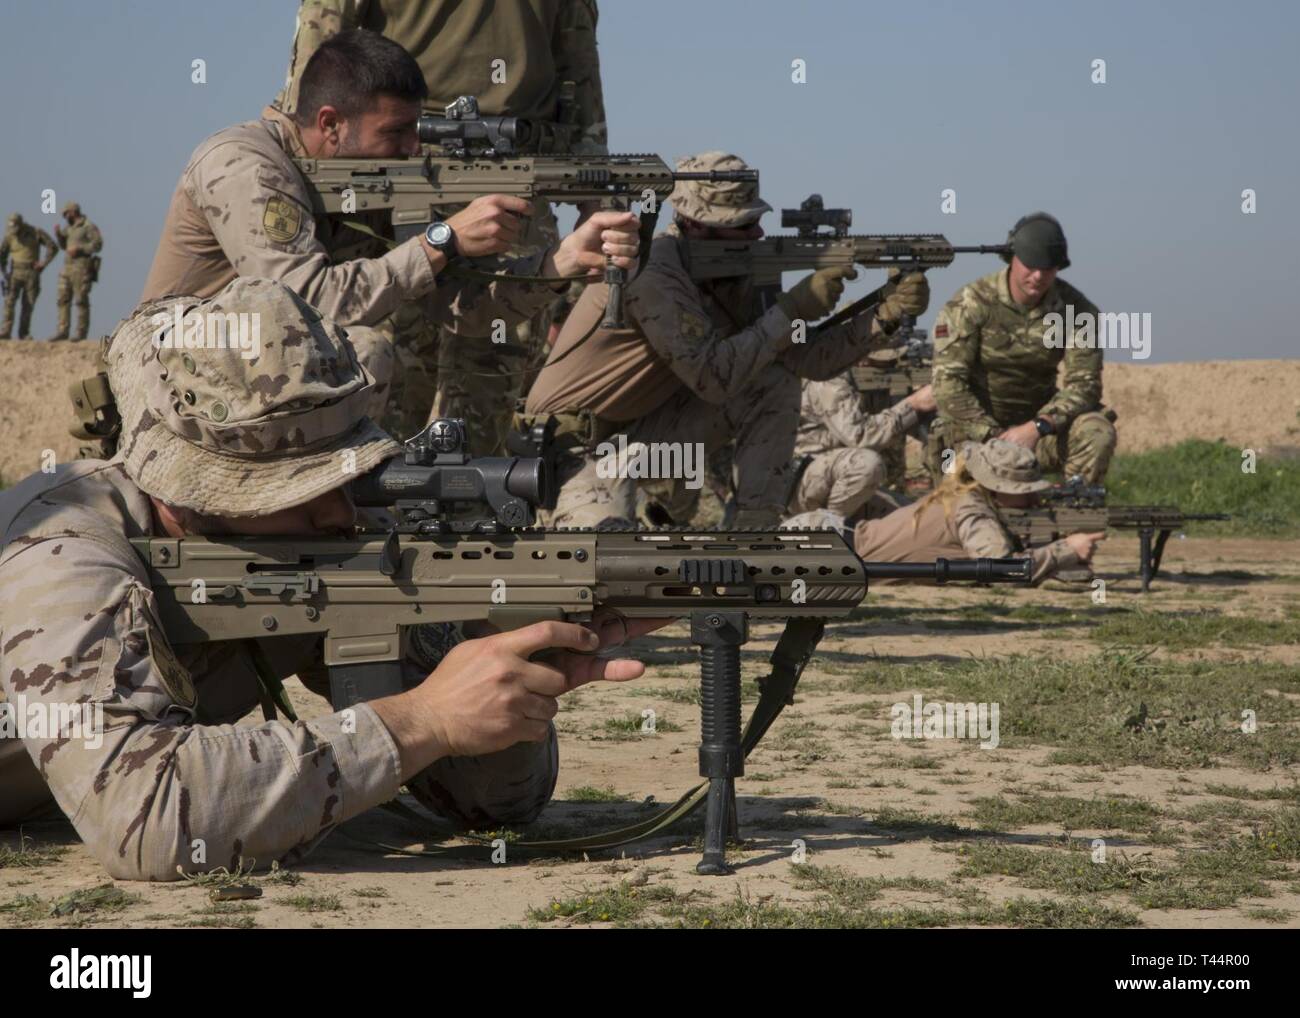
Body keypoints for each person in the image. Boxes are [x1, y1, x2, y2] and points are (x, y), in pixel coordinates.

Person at [0, 278, 652, 880]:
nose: (341, 511)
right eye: (301, 488)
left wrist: (503, 646)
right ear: (192, 492)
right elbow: (147, 819)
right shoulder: (60, 550)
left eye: (350, 477)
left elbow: (493, 805)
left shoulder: (316, 543)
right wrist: (420, 720)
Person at [139, 29, 636, 437]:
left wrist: (558, 264)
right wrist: (441, 241)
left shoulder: (375, 178)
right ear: (331, 124)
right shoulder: (242, 164)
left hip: (252, 380)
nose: (412, 147)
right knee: (365, 353)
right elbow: (304, 303)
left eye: (416, 130)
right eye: (395, 132)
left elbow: (462, 311)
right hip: (170, 376)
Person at [519, 151, 930, 528]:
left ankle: (752, 538)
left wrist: (883, 317)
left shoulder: (736, 275)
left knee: (773, 379)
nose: (758, 233)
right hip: (569, 450)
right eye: (743, 225)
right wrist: (792, 309)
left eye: (756, 220)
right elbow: (713, 377)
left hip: (635, 441)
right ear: (698, 224)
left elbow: (805, 362)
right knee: (609, 568)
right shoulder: (652, 272)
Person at [271, 1, 609, 454]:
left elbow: (577, 58)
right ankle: (368, 512)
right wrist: (306, 155)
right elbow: (324, 33)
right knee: (383, 379)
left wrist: (593, 190)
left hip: (513, 175)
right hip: (390, 168)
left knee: (487, 390)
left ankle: (459, 516)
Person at [926, 212, 1116, 483]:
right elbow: (947, 384)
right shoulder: (970, 304)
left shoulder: (1077, 311)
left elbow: (1084, 385)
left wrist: (1038, 427)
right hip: (972, 435)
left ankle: (1075, 512)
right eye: (1031, 265)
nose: (1038, 276)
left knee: (1096, 431)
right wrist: (994, 438)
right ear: (1012, 258)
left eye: (1048, 268)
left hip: (1037, 436)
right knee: (956, 512)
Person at [791, 440, 1104, 585]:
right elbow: (1000, 569)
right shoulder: (972, 510)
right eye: (1026, 494)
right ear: (998, 491)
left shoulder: (963, 497)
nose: (1034, 501)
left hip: (826, 539)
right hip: (821, 549)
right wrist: (1065, 549)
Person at [790, 376, 937, 517]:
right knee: (865, 464)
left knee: (914, 521)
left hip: (857, 486)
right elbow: (860, 436)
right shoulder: (829, 380)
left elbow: (939, 442)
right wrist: (914, 403)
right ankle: (829, 528)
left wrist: (948, 475)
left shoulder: (879, 380)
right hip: (815, 484)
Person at [0, 213, 58, 339]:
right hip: (14, 273)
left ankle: (24, 333)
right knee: (9, 302)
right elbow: (2, 255)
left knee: (28, 304)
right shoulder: (9, 236)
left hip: (31, 272)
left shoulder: (35, 232)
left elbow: (52, 247)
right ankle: (5, 331)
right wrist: (4, 272)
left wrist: (43, 263)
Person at [50, 202, 103, 341]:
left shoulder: (88, 227)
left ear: (73, 212)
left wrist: (80, 248)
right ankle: (62, 330)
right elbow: (63, 246)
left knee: (81, 300)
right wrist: (59, 236)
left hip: (82, 268)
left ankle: (81, 332)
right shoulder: (68, 228)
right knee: (62, 299)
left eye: (66, 213)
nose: (65, 216)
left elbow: (98, 244)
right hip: (67, 268)